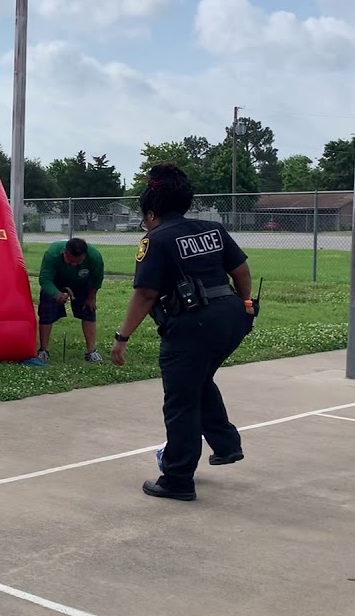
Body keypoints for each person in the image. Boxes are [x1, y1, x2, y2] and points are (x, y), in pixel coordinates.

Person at [109, 162, 257, 501]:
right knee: (199, 381)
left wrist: (122, 338)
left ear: (150, 213)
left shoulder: (155, 240)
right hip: (232, 319)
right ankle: (226, 443)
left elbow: (145, 294)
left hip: (193, 326)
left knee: (181, 402)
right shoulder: (213, 229)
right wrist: (246, 303)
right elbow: (241, 270)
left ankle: (177, 478)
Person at [35, 238, 104, 364]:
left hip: (83, 283)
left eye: (78, 262)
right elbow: (45, 279)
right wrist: (56, 294)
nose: (74, 265)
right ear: (64, 253)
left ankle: (91, 351)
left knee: (89, 311)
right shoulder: (52, 254)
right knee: (46, 311)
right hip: (56, 281)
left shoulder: (94, 257)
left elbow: (97, 279)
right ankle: (43, 350)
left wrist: (91, 297)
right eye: (71, 261)